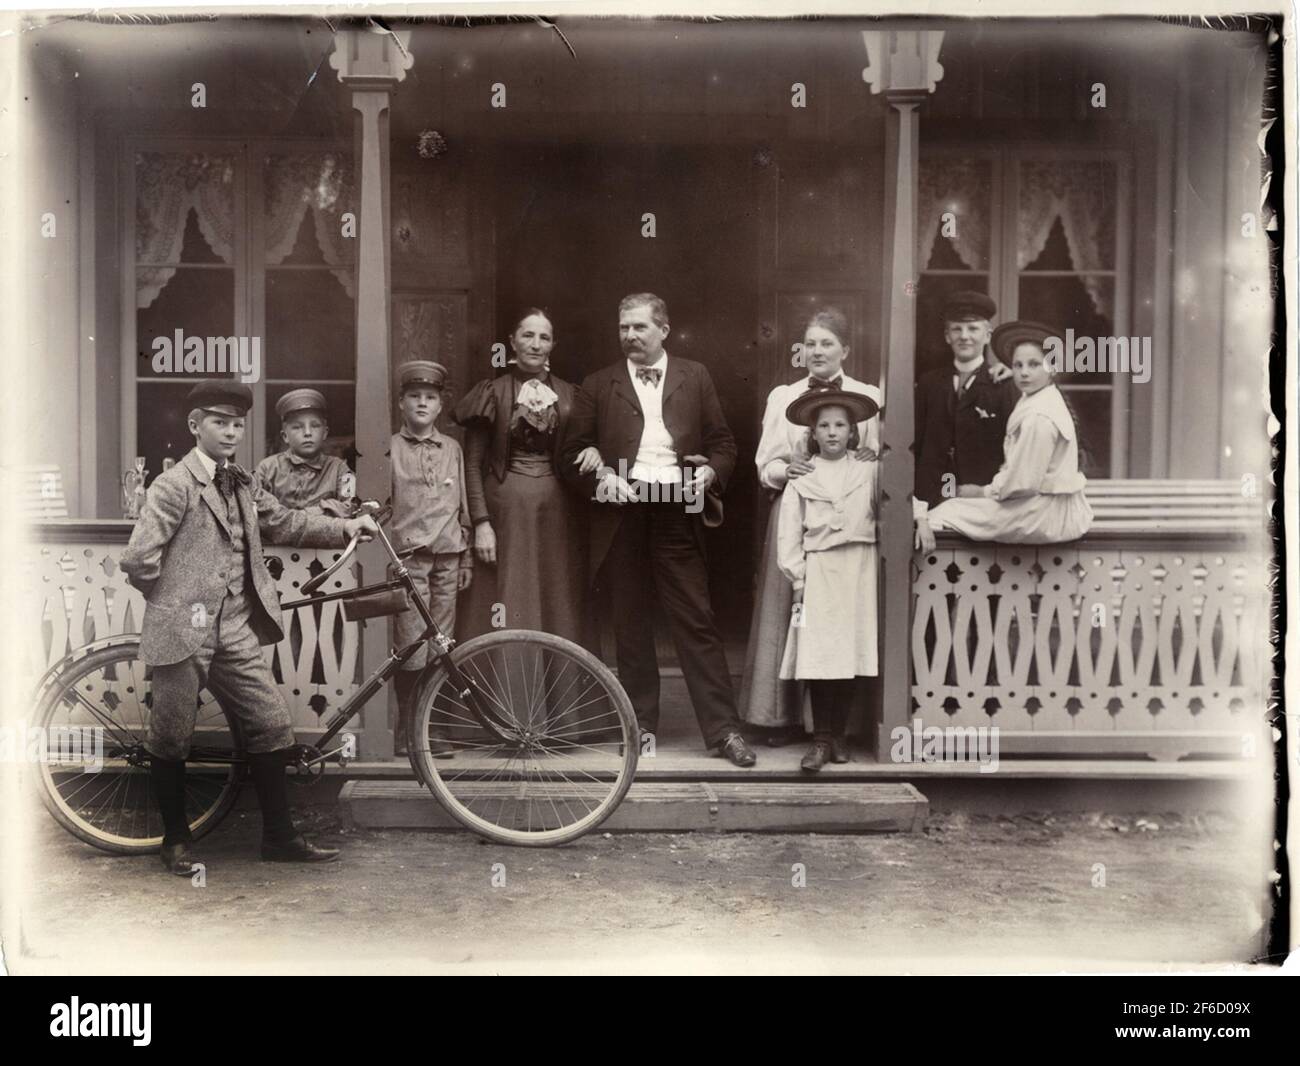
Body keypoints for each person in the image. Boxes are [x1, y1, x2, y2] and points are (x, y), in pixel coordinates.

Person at [119, 381, 378, 875]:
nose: (232, 432)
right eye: (220, 422)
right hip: (184, 628)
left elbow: (286, 523)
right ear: (196, 427)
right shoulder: (173, 485)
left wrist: (346, 527)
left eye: (238, 424)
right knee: (172, 735)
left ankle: (279, 838)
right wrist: (174, 604)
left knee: (270, 721)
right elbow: (138, 560)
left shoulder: (241, 481)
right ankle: (174, 841)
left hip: (235, 626)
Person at [559, 293, 757, 766]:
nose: (630, 335)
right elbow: (572, 455)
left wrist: (712, 473)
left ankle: (724, 732)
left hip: (675, 508)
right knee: (630, 623)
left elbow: (724, 443)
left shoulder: (696, 375)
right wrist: (601, 475)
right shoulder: (598, 383)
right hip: (622, 510)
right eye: (624, 327)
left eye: (640, 327)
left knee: (695, 619)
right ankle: (640, 729)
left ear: (664, 330)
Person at [740, 307, 881, 743]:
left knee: (839, 622)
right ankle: (782, 718)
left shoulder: (868, 396)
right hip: (797, 510)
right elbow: (765, 464)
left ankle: (840, 727)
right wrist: (790, 470)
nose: (817, 351)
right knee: (792, 613)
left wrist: (869, 460)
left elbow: (875, 455)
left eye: (827, 343)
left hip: (849, 518)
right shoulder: (783, 397)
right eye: (810, 344)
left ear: (845, 349)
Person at [454, 309, 601, 645]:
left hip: (558, 513)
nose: (535, 344)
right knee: (508, 597)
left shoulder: (571, 396)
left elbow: (584, 446)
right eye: (528, 335)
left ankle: (557, 693)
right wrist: (481, 523)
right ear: (512, 342)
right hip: (505, 515)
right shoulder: (491, 392)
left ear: (553, 345)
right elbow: (473, 464)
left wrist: (596, 451)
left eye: (544, 337)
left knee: (556, 596)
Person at [775, 389, 881, 772]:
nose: (832, 432)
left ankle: (839, 734)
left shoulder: (869, 469)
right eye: (824, 426)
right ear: (813, 433)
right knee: (820, 653)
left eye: (840, 425)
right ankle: (820, 738)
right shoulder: (804, 476)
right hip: (819, 571)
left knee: (849, 650)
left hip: (859, 566)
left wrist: (920, 518)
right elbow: (788, 533)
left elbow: (897, 499)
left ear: (853, 431)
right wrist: (798, 577)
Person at [927, 321, 1094, 543]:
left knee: (942, 514)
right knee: (949, 510)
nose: (1024, 373)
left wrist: (982, 492)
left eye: (1034, 365)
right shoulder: (1038, 397)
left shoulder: (1039, 417)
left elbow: (1022, 483)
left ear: (1052, 366)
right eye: (1018, 365)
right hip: (1040, 506)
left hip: (1044, 514)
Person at [388, 360, 474, 756]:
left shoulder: (452, 448)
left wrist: (467, 557)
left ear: (440, 406)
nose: (422, 403)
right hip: (410, 561)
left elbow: (463, 507)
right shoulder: (389, 448)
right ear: (402, 403)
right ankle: (408, 728)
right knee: (410, 646)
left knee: (443, 645)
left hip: (448, 558)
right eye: (414, 397)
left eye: (431, 397)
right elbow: (382, 506)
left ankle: (434, 727)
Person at [913, 290, 1019, 553]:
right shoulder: (929, 383)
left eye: (973, 328)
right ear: (947, 336)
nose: (965, 336)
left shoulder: (1003, 385)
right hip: (934, 504)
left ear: (988, 334)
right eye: (956, 329)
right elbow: (917, 446)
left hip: (983, 507)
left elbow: (1016, 449)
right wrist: (920, 509)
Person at [253, 388, 354, 516]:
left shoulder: (341, 469)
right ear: (285, 436)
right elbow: (255, 506)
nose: (307, 433)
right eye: (297, 427)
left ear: (325, 432)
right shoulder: (267, 468)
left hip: (325, 535)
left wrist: (310, 513)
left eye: (315, 426)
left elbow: (350, 505)